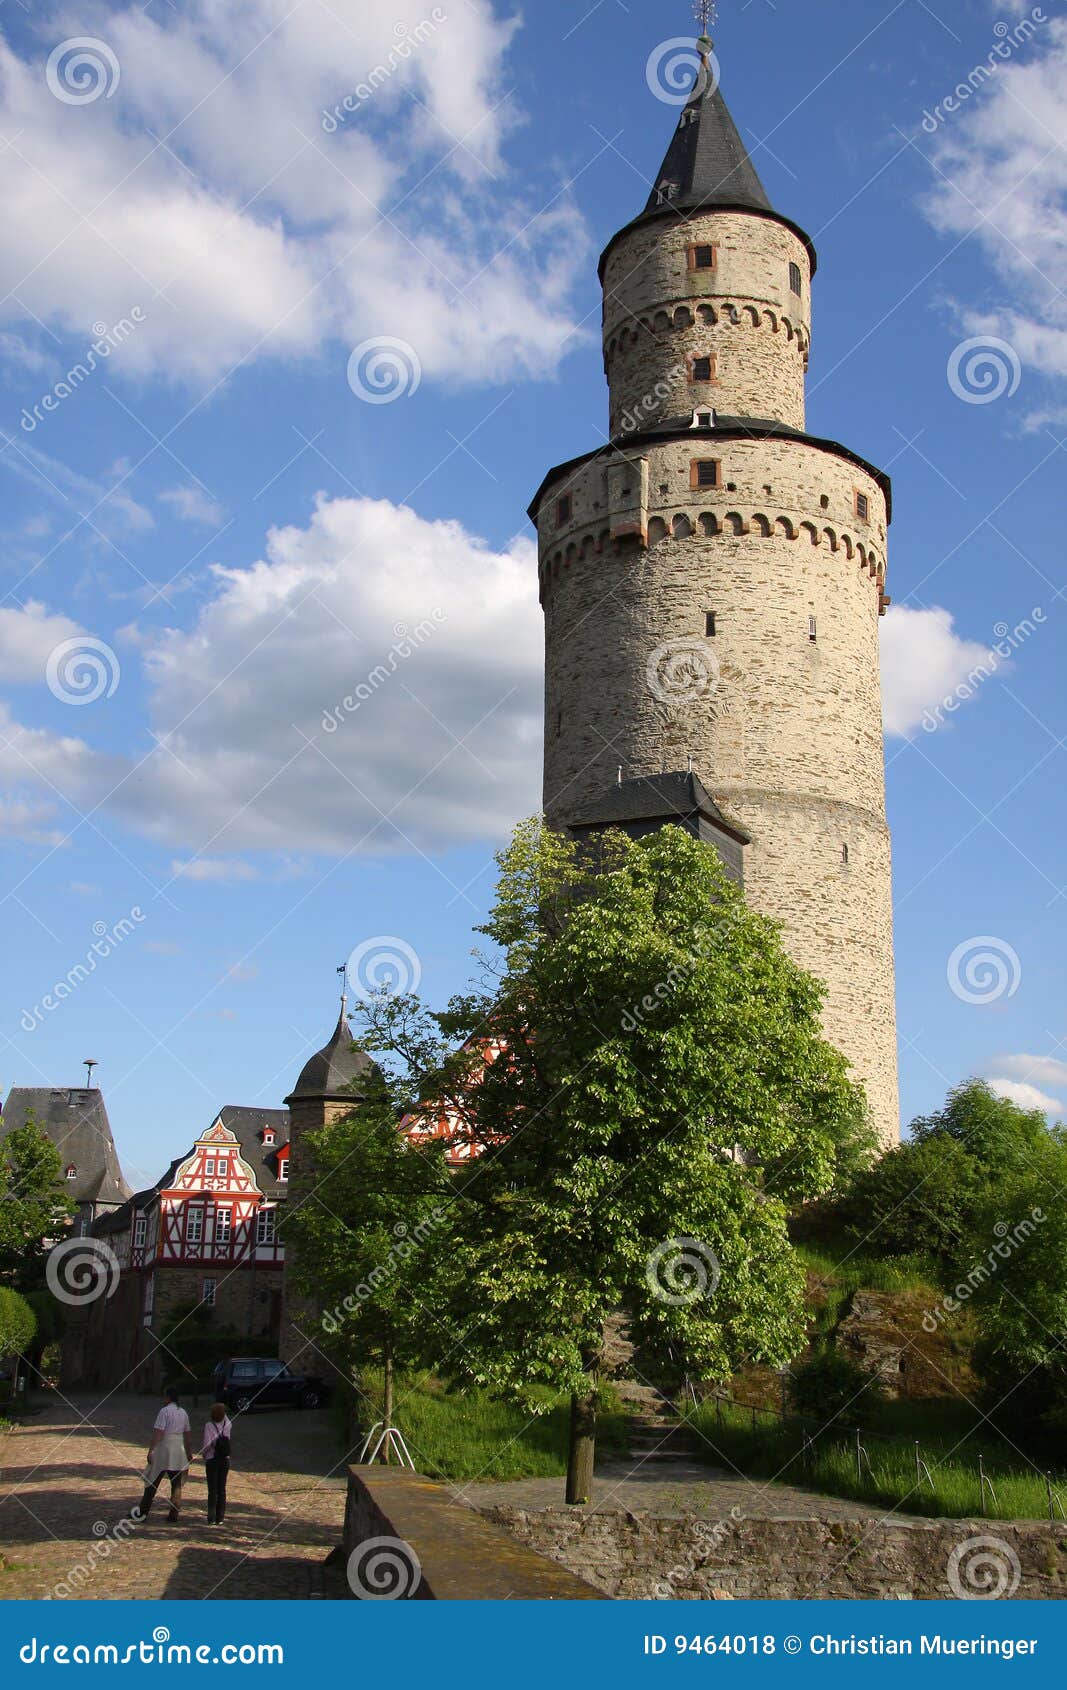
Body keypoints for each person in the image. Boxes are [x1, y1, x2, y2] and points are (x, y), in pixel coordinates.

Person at [135, 1386, 193, 1523]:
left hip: (164, 1447)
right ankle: (174, 1514)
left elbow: (158, 1432)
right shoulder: (183, 1412)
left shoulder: (164, 1411)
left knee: (152, 1481)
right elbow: (188, 1435)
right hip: (178, 1449)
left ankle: (142, 1513)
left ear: (168, 1397)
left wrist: (151, 1450)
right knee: (176, 1484)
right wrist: (189, 1452)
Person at [201, 1402, 233, 1527]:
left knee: (212, 1489)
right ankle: (220, 1517)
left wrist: (203, 1454)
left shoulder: (209, 1425)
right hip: (225, 1459)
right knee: (222, 1489)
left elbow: (207, 1444)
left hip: (212, 1459)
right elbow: (226, 1419)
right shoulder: (228, 1424)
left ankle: (211, 1517)